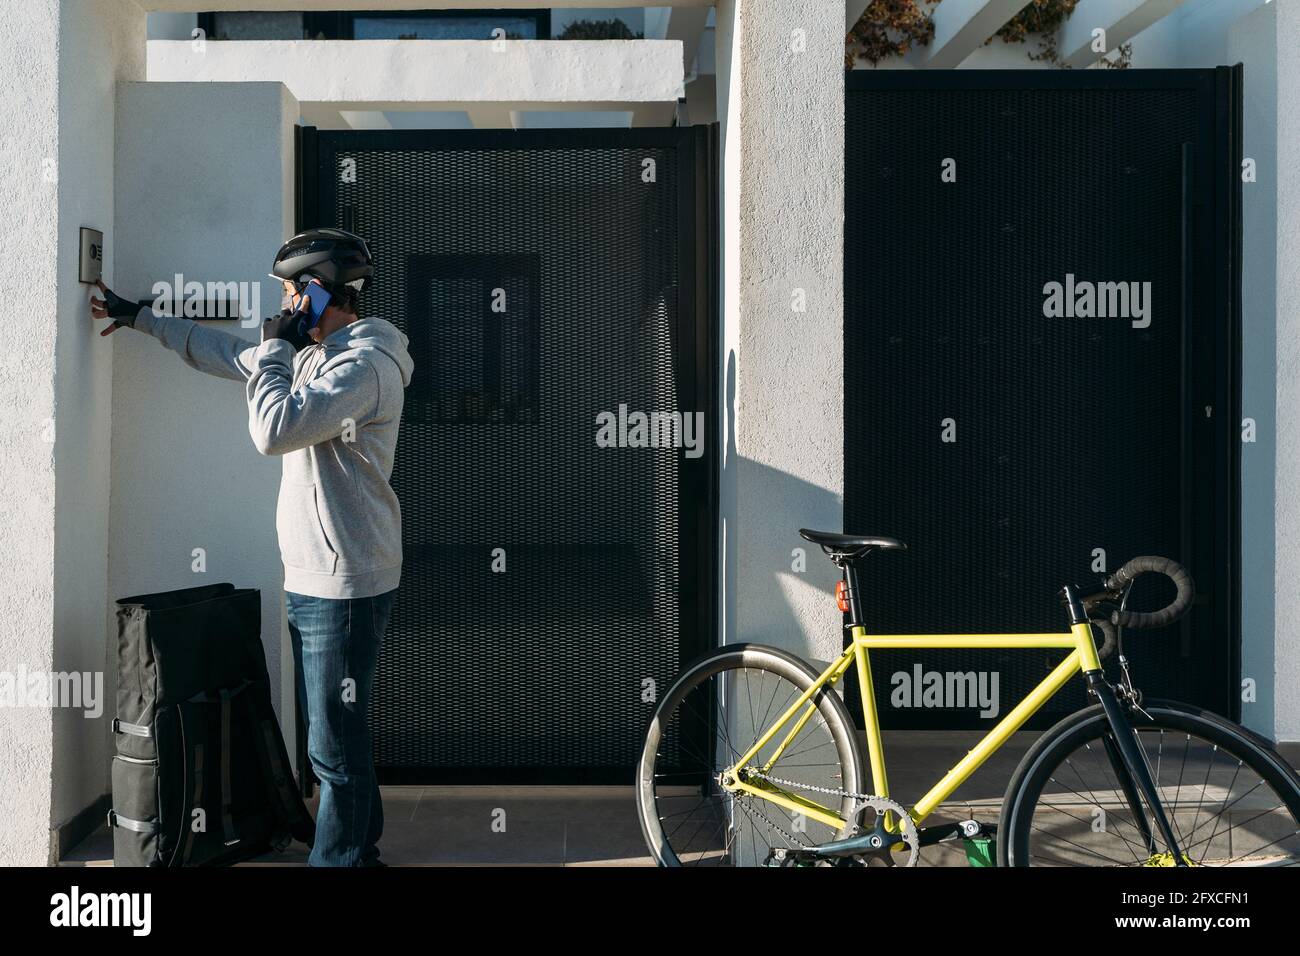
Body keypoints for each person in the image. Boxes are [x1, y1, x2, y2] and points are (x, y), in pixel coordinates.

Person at [91, 228, 414, 867]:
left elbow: (273, 430)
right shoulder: (317, 355)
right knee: (338, 734)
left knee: (331, 744)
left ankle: (341, 861)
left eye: (294, 290)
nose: (287, 303)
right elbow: (229, 355)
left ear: (317, 292)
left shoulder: (362, 368)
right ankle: (360, 849)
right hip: (319, 575)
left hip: (343, 578)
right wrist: (142, 320)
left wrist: (275, 351)